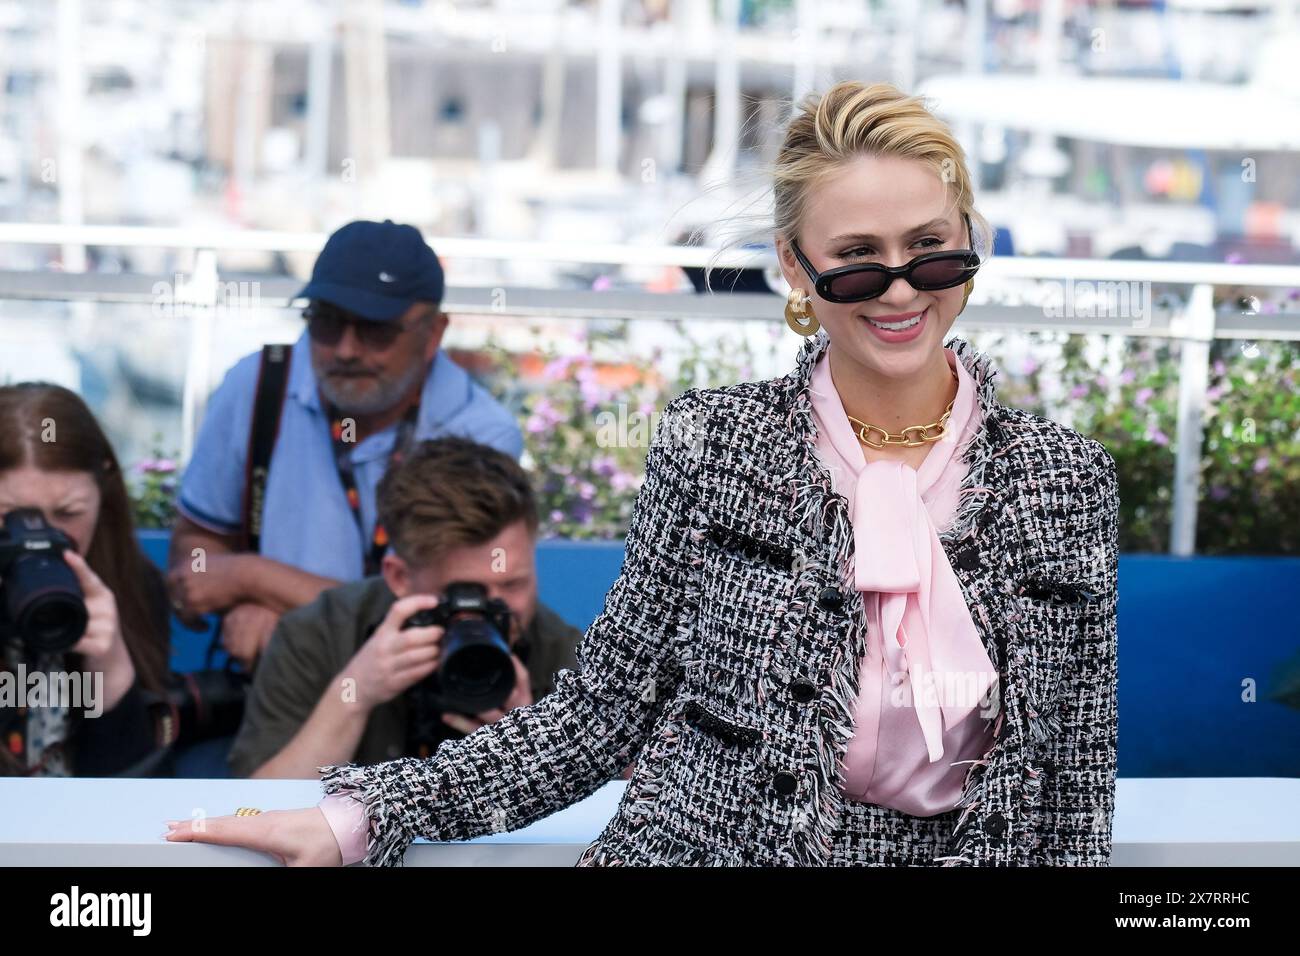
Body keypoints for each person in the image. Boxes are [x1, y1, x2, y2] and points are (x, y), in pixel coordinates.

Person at [164, 81, 1120, 867]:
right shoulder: (715, 446)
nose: (903, 289)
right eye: (858, 262)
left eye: (930, 249)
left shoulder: (1066, 482)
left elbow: (1072, 783)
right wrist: (360, 815)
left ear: (970, 244)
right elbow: (603, 708)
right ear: (795, 269)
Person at [166, 219, 524, 670]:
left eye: (376, 330)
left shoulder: (481, 434)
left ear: (433, 334)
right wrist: (230, 597)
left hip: (412, 696)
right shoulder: (257, 385)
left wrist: (252, 580)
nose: (346, 350)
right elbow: (195, 551)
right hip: (271, 681)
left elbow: (426, 610)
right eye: (327, 323)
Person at [226, 437, 584, 780]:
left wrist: (536, 744)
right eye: (464, 594)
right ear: (399, 577)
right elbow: (258, 808)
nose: (491, 611)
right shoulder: (318, 635)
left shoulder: (560, 651)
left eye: (513, 584)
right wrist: (354, 695)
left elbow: (625, 811)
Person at [0, 384, 172, 776]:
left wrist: (111, 672)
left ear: (103, 496)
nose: (41, 537)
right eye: (12, 518)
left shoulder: (135, 587)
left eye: (67, 513)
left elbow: (139, 808)